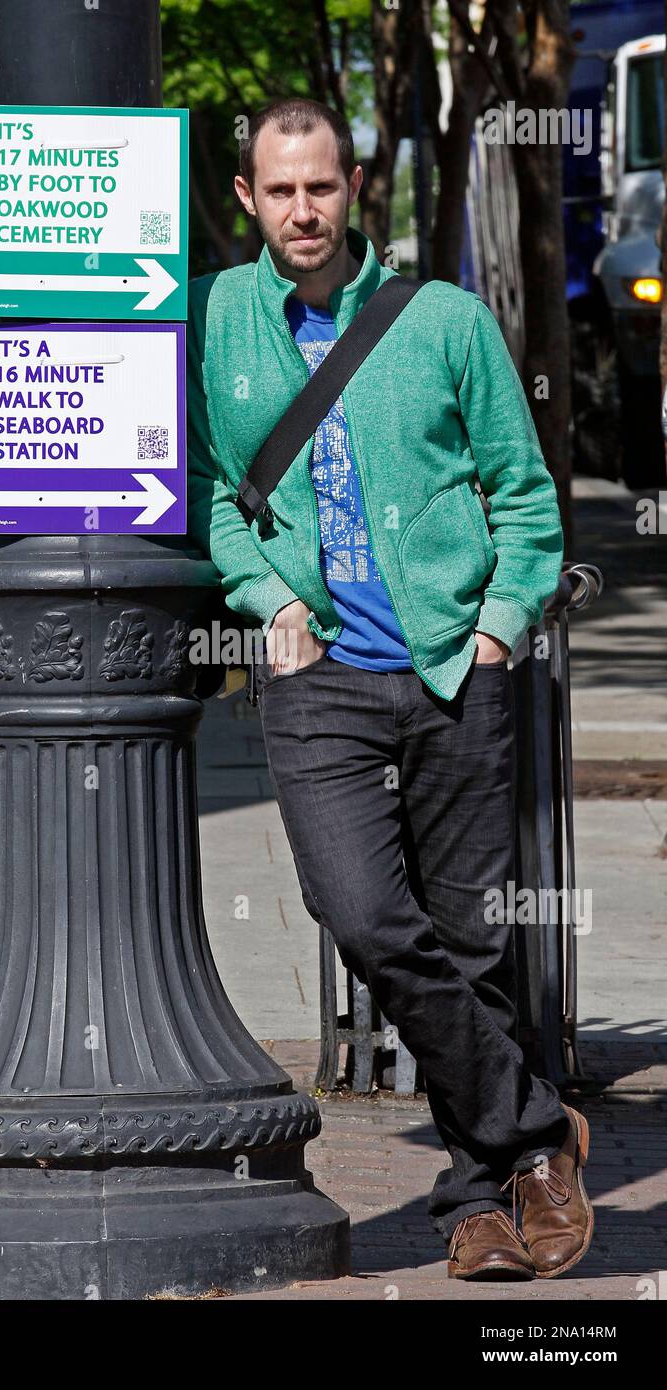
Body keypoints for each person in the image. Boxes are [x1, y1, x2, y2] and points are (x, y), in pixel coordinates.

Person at [186, 97, 594, 1282]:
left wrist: (500, 631)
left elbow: (522, 496)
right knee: (361, 913)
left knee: (470, 945)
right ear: (246, 198)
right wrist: (273, 606)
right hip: (318, 674)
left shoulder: (444, 322)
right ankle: (536, 1129)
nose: (300, 210)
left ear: (351, 186)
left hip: (451, 668)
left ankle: (477, 1204)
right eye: (279, 191)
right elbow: (216, 491)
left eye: (319, 187)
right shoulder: (221, 319)